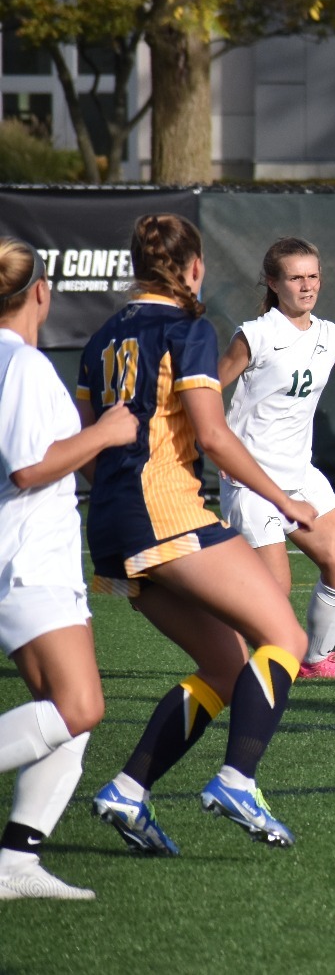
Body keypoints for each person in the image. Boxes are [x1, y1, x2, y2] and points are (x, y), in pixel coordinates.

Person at [81, 214, 322, 850]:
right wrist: (282, 499)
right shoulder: (187, 328)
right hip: (165, 511)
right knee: (286, 636)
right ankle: (238, 779)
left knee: (223, 663)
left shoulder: (101, 338)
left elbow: (90, 447)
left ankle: (129, 791)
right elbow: (214, 435)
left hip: (108, 527)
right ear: (191, 267)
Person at [0, 241, 136, 900]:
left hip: (31, 556)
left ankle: (15, 859)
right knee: (80, 705)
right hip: (29, 559)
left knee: (67, 716)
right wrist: (107, 431)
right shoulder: (21, 362)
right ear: (41, 293)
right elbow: (29, 466)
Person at [217, 237, 335, 680]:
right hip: (252, 479)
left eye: (312, 275)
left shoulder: (330, 334)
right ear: (273, 283)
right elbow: (206, 389)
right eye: (295, 277)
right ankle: (237, 662)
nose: (306, 285)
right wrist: (212, 441)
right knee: (273, 595)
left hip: (300, 475)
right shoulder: (255, 334)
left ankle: (314, 661)